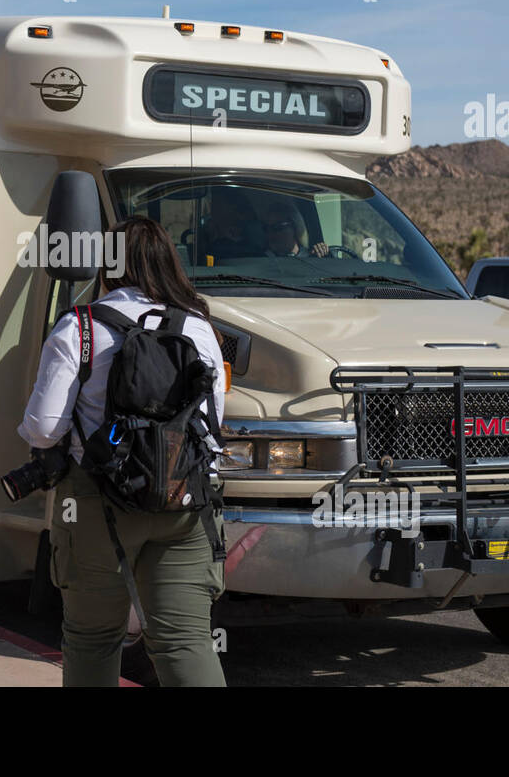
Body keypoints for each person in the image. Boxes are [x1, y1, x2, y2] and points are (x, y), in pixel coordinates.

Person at [18, 216, 228, 686]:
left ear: (108, 266)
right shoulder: (200, 329)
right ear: (167, 263)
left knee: (93, 638)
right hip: (184, 500)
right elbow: (212, 431)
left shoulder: (81, 328)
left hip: (95, 503)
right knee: (185, 641)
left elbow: (44, 429)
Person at [263, 201, 330, 258]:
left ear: (295, 227)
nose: (270, 234)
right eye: (266, 228)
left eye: (277, 227)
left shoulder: (311, 256)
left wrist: (322, 252)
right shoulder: (262, 260)